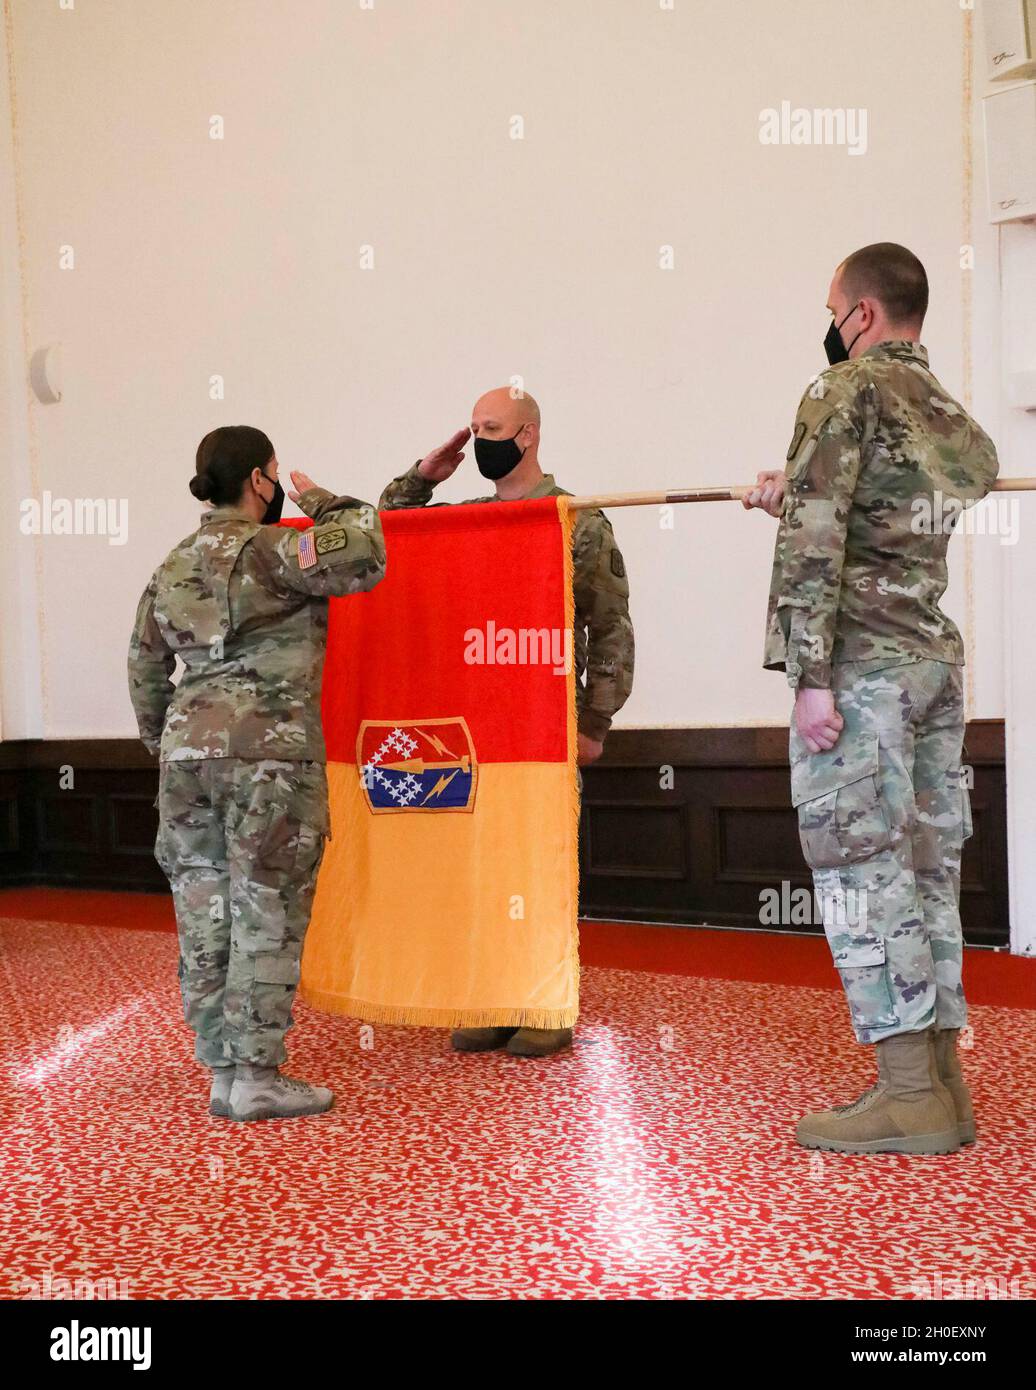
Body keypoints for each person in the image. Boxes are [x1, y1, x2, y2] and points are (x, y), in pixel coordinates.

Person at [743, 243, 999, 1154]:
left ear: (860, 314)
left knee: (860, 869)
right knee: (926, 866)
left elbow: (818, 543)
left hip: (859, 671)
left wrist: (808, 677)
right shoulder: (951, 419)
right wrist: (797, 490)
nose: (830, 325)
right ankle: (941, 1087)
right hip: (929, 663)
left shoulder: (841, 392)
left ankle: (906, 1095)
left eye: (832, 309)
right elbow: (880, 519)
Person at [128, 426, 386, 1122]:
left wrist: (168, 743)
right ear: (259, 480)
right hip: (269, 761)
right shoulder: (274, 552)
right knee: (265, 907)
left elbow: (145, 665)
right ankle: (256, 1076)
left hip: (187, 763)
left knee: (204, 909)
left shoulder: (172, 566)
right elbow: (366, 552)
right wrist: (328, 501)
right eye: (274, 476)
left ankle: (221, 1069)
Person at [383, 387, 635, 1057]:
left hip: (544, 724)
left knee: (540, 865)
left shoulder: (574, 519)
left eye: (490, 428)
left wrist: (596, 720)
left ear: (528, 435)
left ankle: (543, 1003)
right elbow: (386, 530)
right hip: (475, 726)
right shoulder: (467, 520)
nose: (478, 440)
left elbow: (610, 627)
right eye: (471, 428)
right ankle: (494, 997)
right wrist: (422, 477)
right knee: (481, 868)